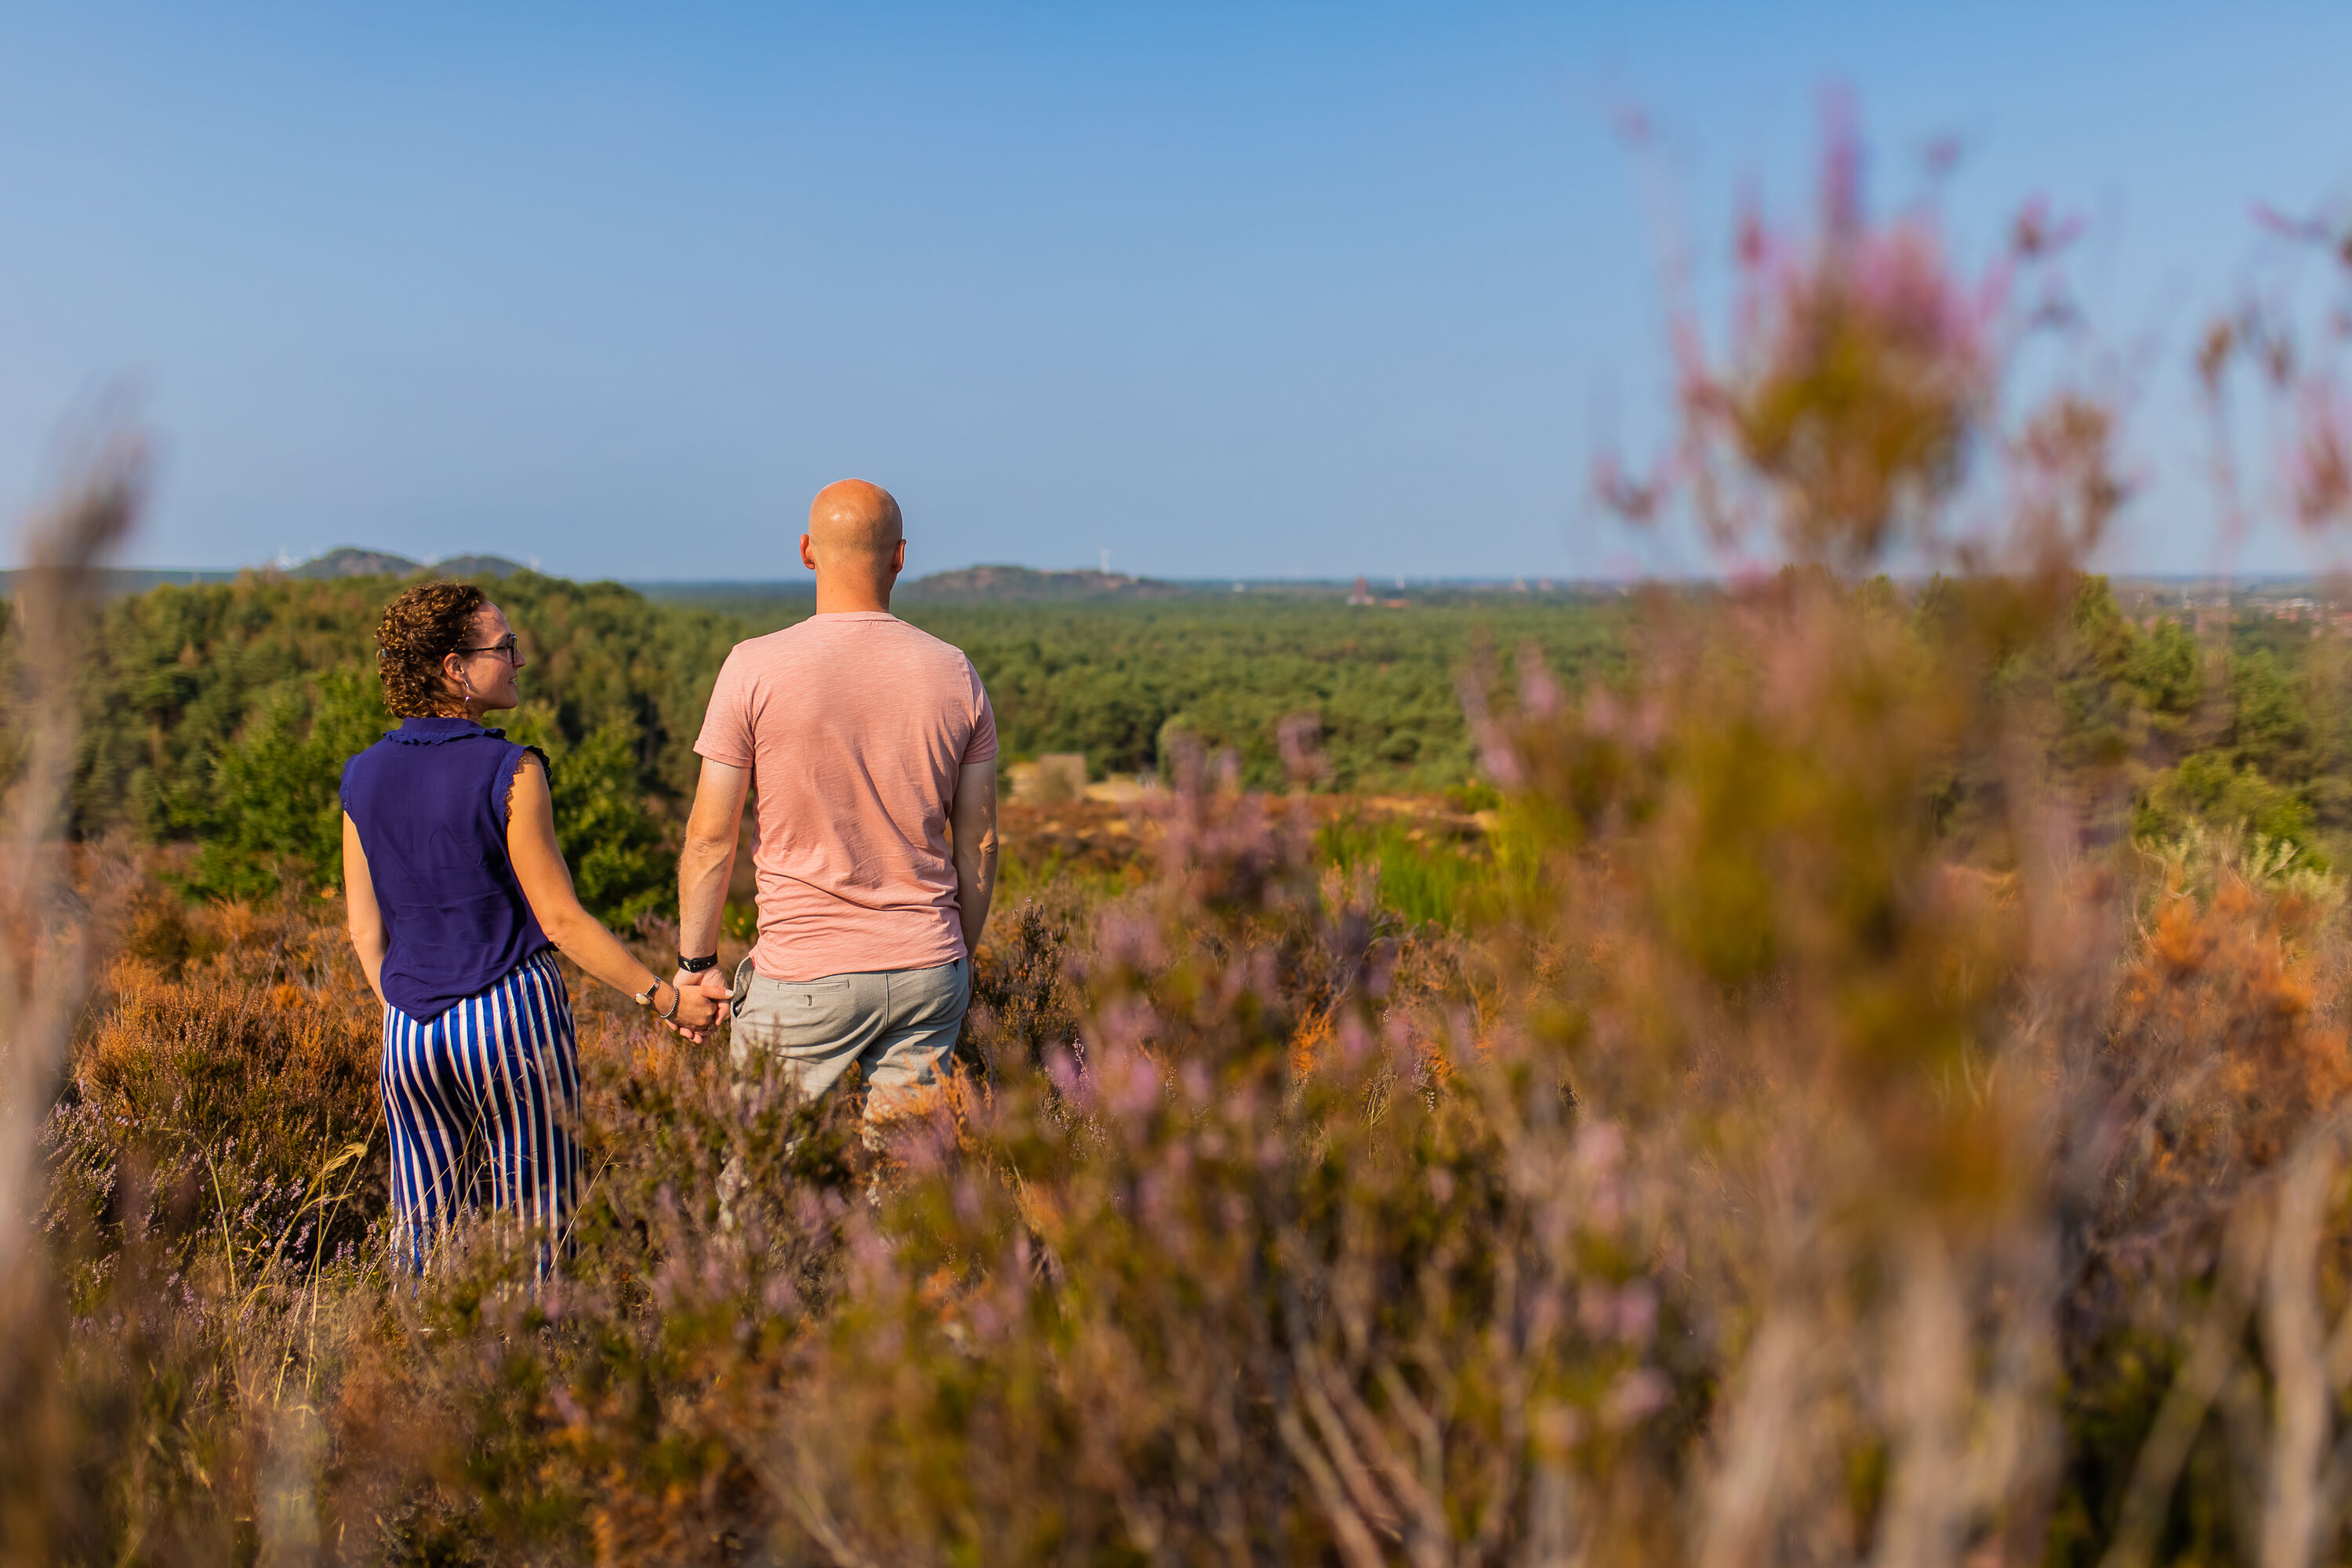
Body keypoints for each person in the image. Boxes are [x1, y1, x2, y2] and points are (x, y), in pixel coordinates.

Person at [341, 581, 723, 1272]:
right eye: (505, 647)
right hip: (508, 1018)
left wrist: (407, 1005)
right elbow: (561, 919)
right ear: (455, 668)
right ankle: (531, 1368)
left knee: (422, 1234)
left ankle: (415, 1369)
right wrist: (666, 1000)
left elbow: (366, 933)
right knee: (537, 1229)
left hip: (407, 1031)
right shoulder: (510, 768)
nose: (519, 660)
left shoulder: (362, 776)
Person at [673, 479, 999, 1125]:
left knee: (765, 1187)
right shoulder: (954, 671)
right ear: (900, 557)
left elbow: (711, 838)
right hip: (927, 967)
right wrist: (953, 951)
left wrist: (696, 965)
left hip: (802, 976)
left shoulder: (753, 667)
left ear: (806, 552)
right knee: (908, 1190)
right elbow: (981, 841)